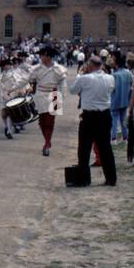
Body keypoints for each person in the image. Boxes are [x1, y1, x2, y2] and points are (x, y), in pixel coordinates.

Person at [70, 54, 117, 186]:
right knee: (105, 148)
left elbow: (73, 90)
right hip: (104, 115)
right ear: (101, 65)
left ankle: (84, 179)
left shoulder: (84, 78)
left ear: (90, 66)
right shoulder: (110, 78)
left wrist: (80, 76)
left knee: (84, 148)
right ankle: (111, 178)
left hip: (89, 116)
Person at [28, 47, 67, 156]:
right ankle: (47, 141)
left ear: (48, 56)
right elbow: (28, 79)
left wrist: (62, 97)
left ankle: (47, 143)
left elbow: (63, 85)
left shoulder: (59, 69)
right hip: (40, 94)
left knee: (50, 121)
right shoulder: (36, 69)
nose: (40, 57)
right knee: (42, 122)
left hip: (54, 94)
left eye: (42, 55)